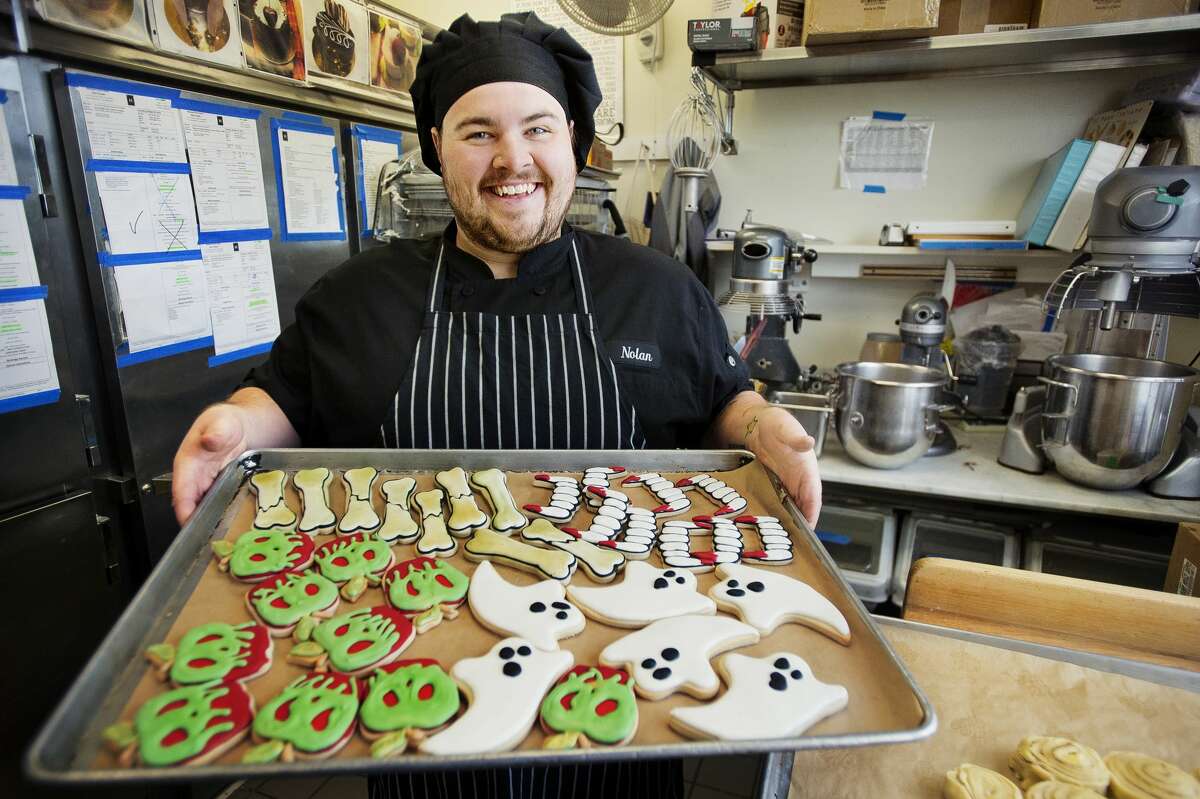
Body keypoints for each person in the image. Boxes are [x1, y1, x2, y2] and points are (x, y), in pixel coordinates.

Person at [172, 12, 820, 798]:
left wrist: (765, 427)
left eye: (538, 129)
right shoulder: (358, 297)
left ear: (573, 144)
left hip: (615, 683)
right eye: (478, 133)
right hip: (418, 689)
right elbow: (284, 400)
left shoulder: (654, 289)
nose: (513, 160)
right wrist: (234, 425)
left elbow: (726, 403)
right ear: (436, 145)